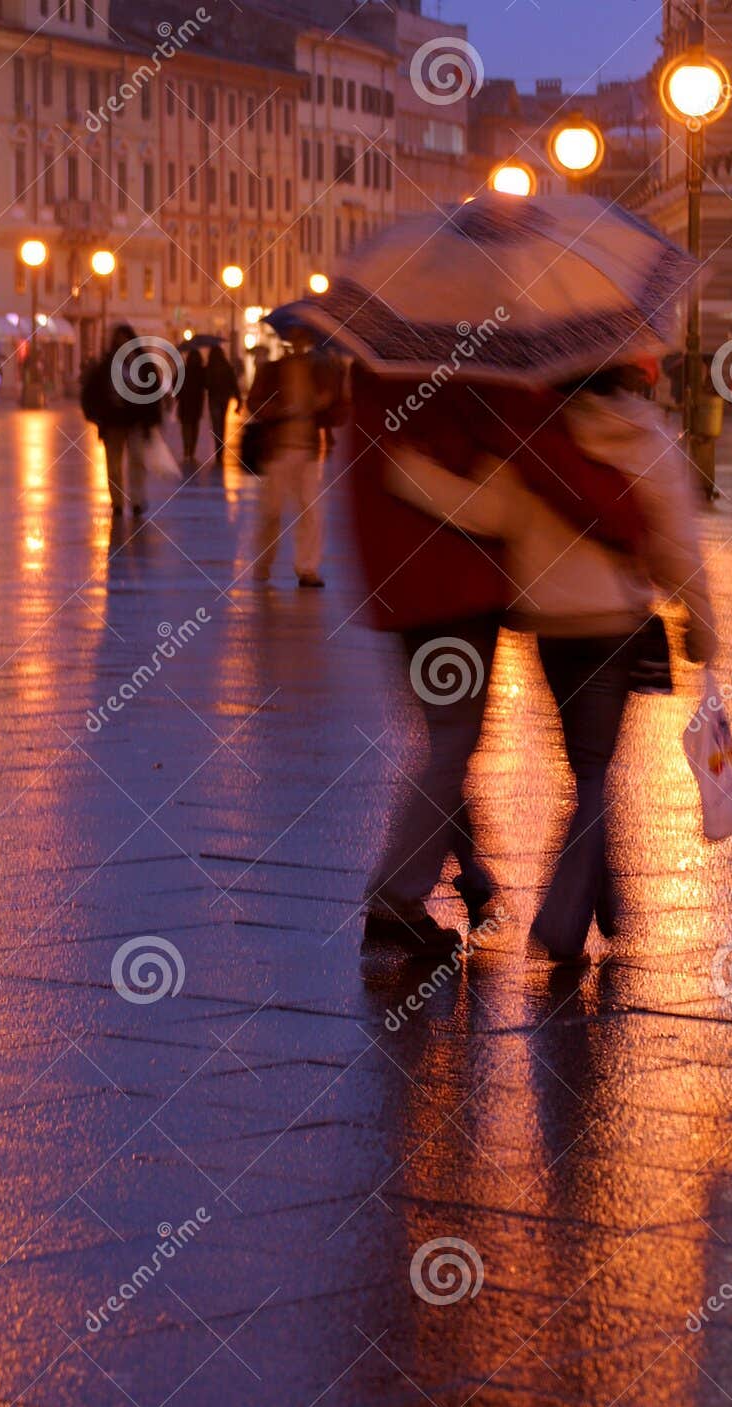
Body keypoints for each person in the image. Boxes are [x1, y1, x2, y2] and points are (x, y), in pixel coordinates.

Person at [388, 361, 718, 963]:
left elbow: (487, 511)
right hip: (614, 622)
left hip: (551, 625)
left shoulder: (539, 438)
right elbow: (676, 543)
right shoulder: (649, 438)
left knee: (586, 768)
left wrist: (410, 475)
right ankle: (564, 922)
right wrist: (701, 621)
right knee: (593, 772)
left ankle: (605, 900)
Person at [348, 370, 648, 959]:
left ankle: (473, 876)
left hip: (400, 583)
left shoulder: (378, 368)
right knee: (453, 741)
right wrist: (624, 515)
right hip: (454, 588)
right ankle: (396, 901)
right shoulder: (480, 373)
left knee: (446, 738)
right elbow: (531, 473)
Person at [247, 329, 342, 588]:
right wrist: (279, 410)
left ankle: (307, 568)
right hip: (278, 450)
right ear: (289, 340)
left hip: (308, 450)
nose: (301, 342)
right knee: (271, 510)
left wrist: (324, 401)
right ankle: (263, 564)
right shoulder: (272, 370)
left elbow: (337, 407)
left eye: (304, 338)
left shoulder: (321, 371)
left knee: (311, 509)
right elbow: (253, 402)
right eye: (296, 337)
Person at [80, 321, 164, 517]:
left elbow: (153, 391)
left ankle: (137, 499)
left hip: (135, 420)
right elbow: (90, 392)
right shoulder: (107, 365)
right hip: (112, 422)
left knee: (137, 460)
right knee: (114, 465)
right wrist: (96, 416)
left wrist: (151, 418)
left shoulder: (142, 365)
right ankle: (117, 501)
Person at [204, 344, 242, 462]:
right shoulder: (227, 367)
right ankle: (220, 448)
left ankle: (218, 449)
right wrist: (238, 400)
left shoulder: (209, 368)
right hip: (224, 399)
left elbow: (205, 384)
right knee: (222, 423)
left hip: (214, 399)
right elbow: (234, 384)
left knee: (216, 424)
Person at [176, 344, 206, 463]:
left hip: (184, 402)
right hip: (197, 403)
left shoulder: (183, 370)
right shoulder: (201, 371)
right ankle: (191, 449)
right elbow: (206, 385)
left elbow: (176, 385)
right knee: (194, 425)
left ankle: (186, 447)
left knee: (186, 425)